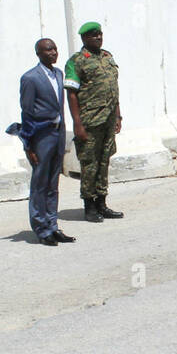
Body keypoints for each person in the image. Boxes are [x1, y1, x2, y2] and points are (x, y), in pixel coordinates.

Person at [65, 21, 123, 222]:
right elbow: (72, 94)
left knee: (104, 160)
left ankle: (102, 202)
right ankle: (89, 206)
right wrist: (77, 123)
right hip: (89, 121)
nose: (97, 37)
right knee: (89, 163)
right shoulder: (77, 61)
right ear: (83, 39)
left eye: (99, 34)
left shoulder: (107, 57)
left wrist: (117, 115)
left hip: (107, 119)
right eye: (92, 35)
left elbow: (113, 89)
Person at [19, 38, 74, 246]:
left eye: (55, 49)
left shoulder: (59, 74)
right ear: (38, 53)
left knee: (53, 183)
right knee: (40, 184)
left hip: (58, 134)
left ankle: (53, 225)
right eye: (48, 50)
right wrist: (28, 145)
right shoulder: (30, 78)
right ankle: (41, 228)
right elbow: (27, 112)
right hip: (41, 137)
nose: (53, 53)